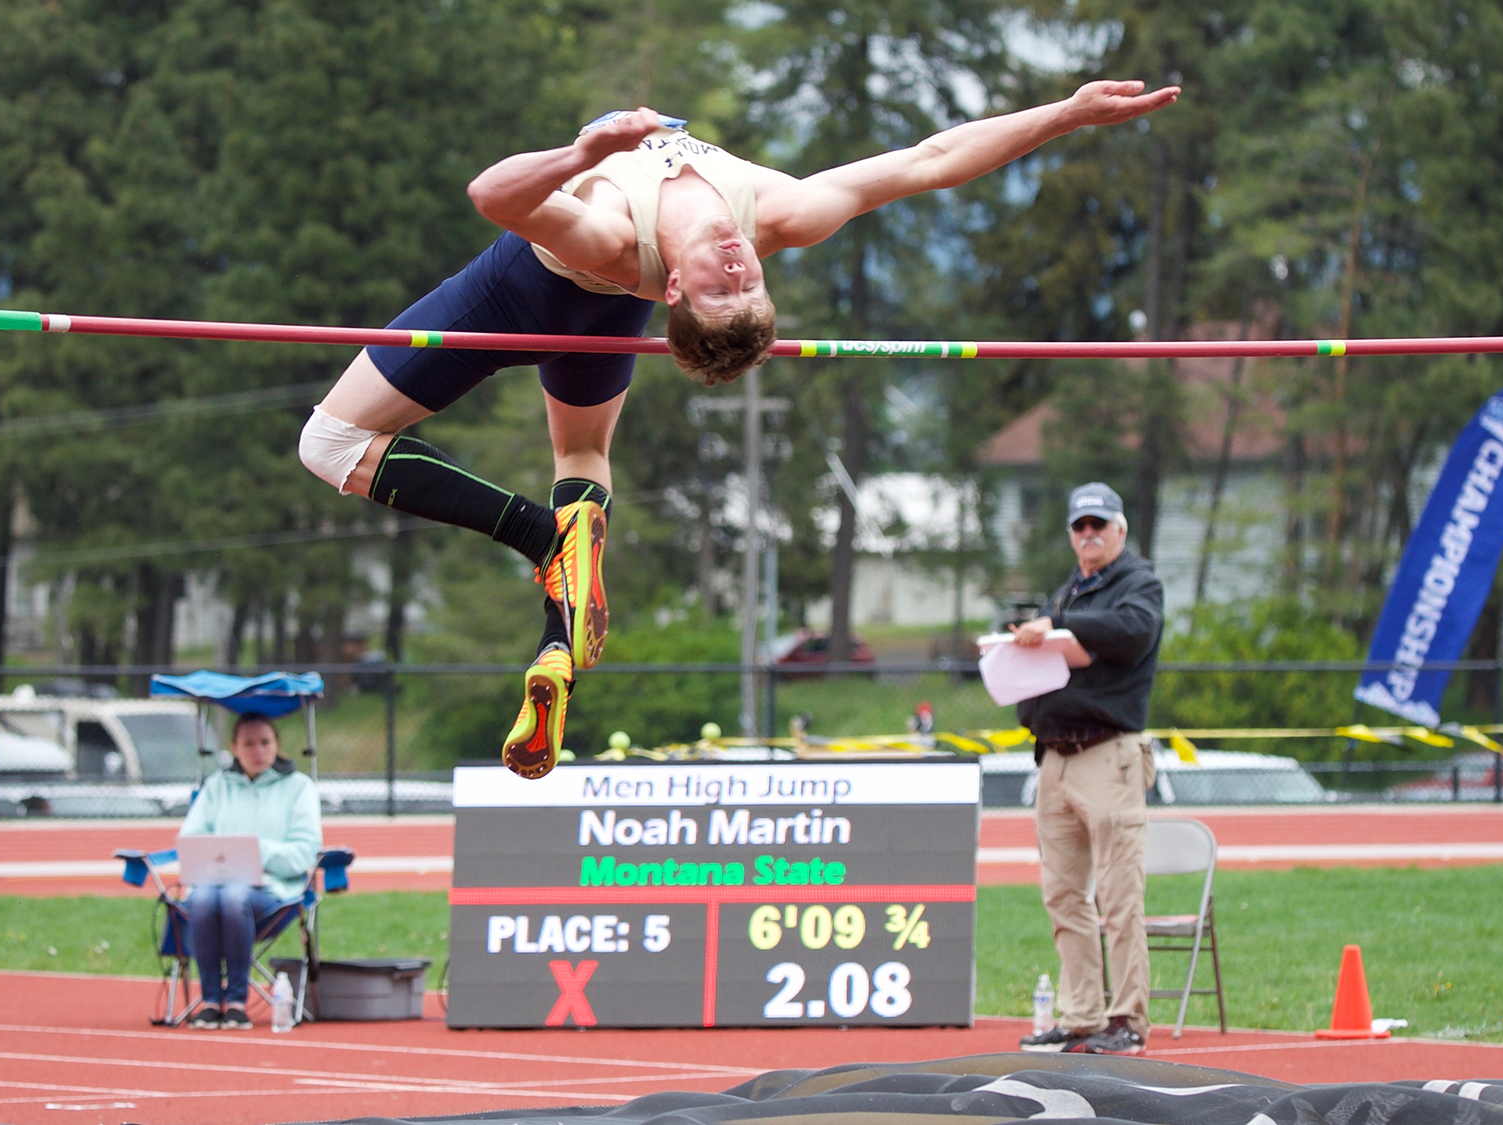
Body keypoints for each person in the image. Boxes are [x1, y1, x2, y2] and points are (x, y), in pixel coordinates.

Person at [296, 83, 1180, 780]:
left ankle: (542, 551)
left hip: (530, 289)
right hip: (583, 305)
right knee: (580, 456)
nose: (738, 264)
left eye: (728, 286)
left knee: (329, 443)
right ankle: (554, 613)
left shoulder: (612, 234)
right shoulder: (778, 215)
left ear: (676, 293)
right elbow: (930, 161)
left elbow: (491, 194)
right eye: (747, 282)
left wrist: (587, 153)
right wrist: (1066, 114)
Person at [1011, 483, 1164, 1056]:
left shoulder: (1138, 584)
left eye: (1099, 524)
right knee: (1064, 896)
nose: (1089, 533)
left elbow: (1134, 631)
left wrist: (1059, 625)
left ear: (1120, 529)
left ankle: (1127, 1019)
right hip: (1055, 759)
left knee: (1119, 897)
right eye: (1080, 526)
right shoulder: (1069, 590)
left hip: (1106, 755)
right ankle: (1079, 1015)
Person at [176, 712, 322, 1029]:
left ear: (277, 745)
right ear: (234, 748)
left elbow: (304, 851)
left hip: (274, 890)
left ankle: (237, 1002)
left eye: (265, 742)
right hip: (214, 885)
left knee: (234, 897)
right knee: (201, 899)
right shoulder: (216, 787)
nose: (258, 751)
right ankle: (210, 1000)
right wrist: (225, 856)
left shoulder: (299, 788)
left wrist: (256, 852)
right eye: (249, 744)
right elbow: (192, 840)